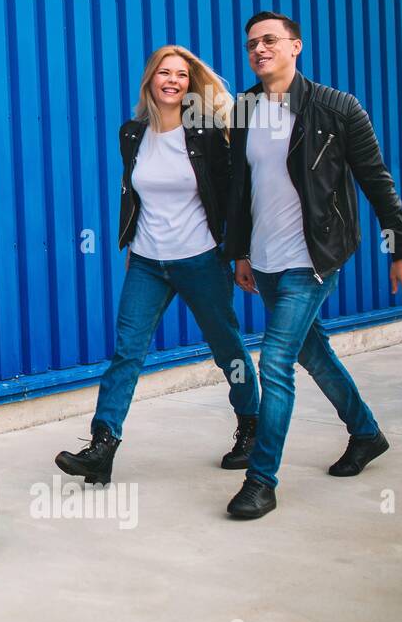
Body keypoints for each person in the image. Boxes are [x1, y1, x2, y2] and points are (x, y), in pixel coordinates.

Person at [223, 11, 402, 519]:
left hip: (313, 258)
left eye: (270, 41)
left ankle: (261, 481)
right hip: (264, 261)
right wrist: (241, 253)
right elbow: (241, 190)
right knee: (314, 353)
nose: (259, 50)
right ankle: (366, 433)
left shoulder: (337, 108)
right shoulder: (243, 108)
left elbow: (377, 180)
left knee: (276, 361)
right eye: (251, 44)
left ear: (296, 46)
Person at [55, 46, 259, 485]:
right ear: (150, 80)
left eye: (181, 75)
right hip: (147, 261)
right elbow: (135, 195)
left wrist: (239, 253)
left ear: (189, 83)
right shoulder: (132, 133)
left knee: (227, 349)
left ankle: (251, 426)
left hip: (201, 259)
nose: (172, 80)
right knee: (127, 352)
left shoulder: (205, 132)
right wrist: (131, 245)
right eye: (163, 73)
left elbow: (230, 199)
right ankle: (102, 447)